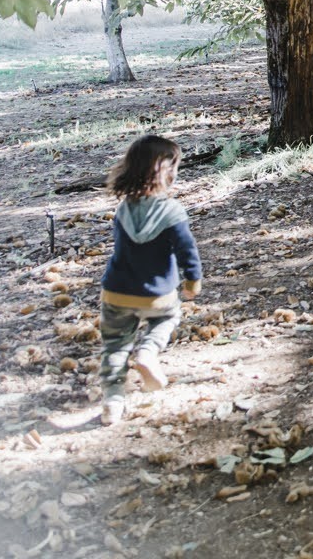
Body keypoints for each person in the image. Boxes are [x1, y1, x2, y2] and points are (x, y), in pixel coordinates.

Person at [97, 134, 202, 427]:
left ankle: (113, 401)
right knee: (166, 319)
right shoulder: (172, 211)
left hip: (116, 292)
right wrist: (192, 280)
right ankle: (148, 351)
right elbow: (186, 251)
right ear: (166, 171)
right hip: (158, 294)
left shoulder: (123, 210)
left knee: (115, 346)